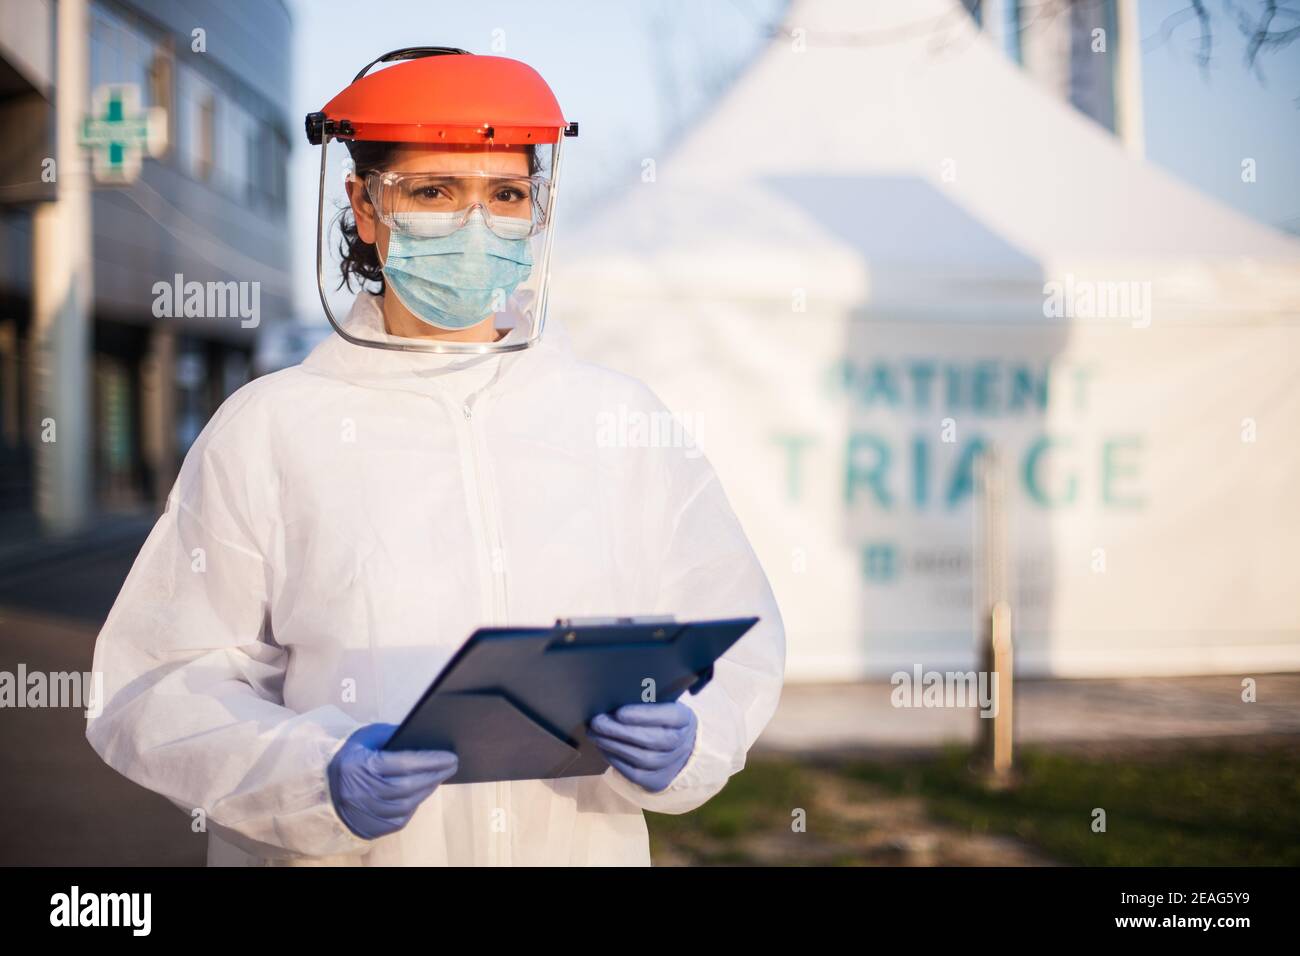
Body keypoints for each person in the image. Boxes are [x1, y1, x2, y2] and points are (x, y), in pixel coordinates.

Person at [86, 48, 784, 866]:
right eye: (433, 193)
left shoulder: (620, 421)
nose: (475, 225)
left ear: (538, 209)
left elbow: (735, 639)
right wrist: (318, 776)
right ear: (365, 206)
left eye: (506, 194)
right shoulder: (272, 429)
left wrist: (693, 736)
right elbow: (156, 685)